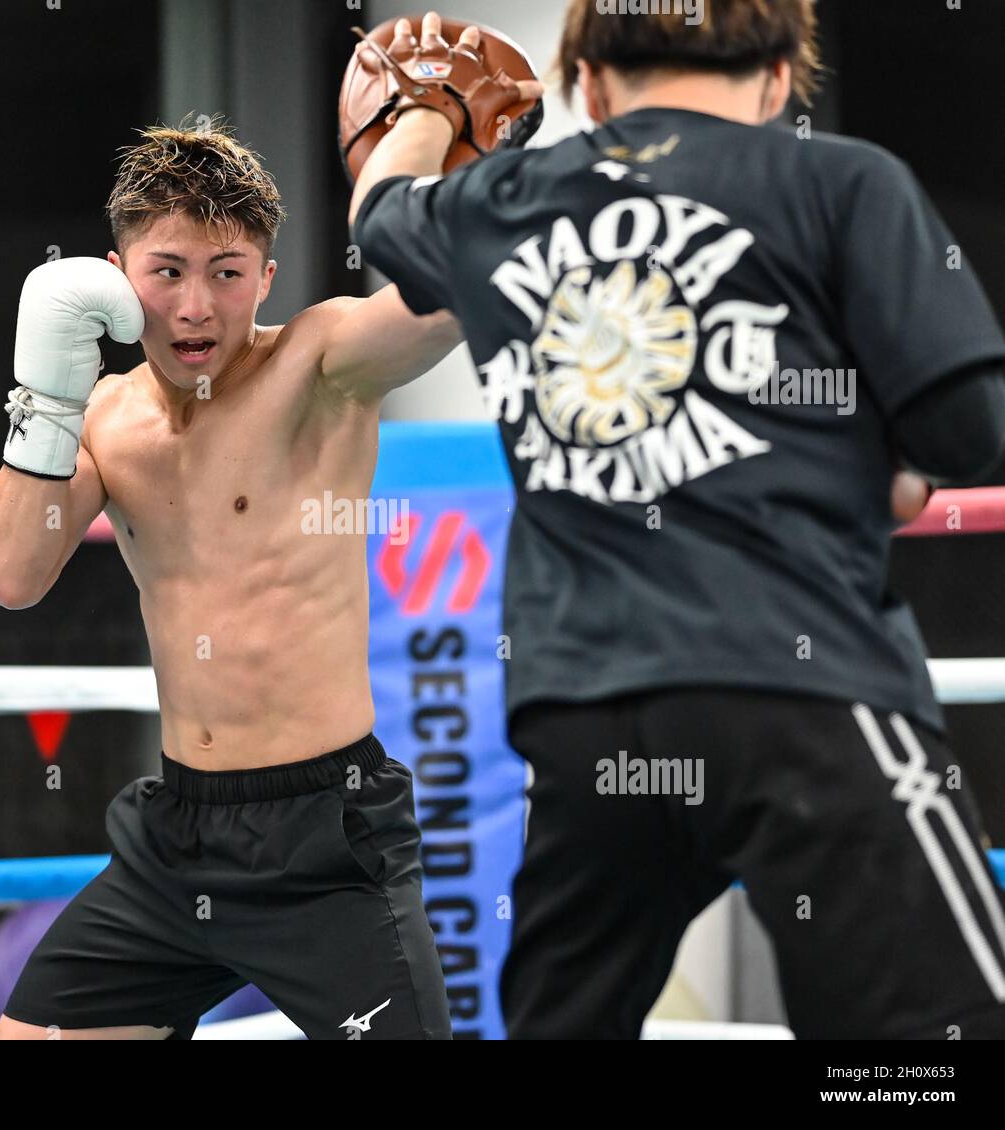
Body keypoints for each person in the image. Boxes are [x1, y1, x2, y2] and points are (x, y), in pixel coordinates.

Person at [348, 5, 1005, 1038]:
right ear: (784, 78)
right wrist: (860, 462)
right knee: (936, 1037)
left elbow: (383, 210)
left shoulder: (498, 201)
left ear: (590, 85)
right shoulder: (840, 180)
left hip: (584, 715)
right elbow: (966, 431)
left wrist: (423, 101)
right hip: (796, 681)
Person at [0, 123, 468, 1040]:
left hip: (328, 840)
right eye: (167, 272)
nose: (197, 306)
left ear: (267, 280)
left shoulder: (321, 365)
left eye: (228, 272)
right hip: (179, 836)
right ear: (116, 273)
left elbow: (444, 306)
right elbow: (10, 575)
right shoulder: (105, 417)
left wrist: (437, 150)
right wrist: (44, 401)